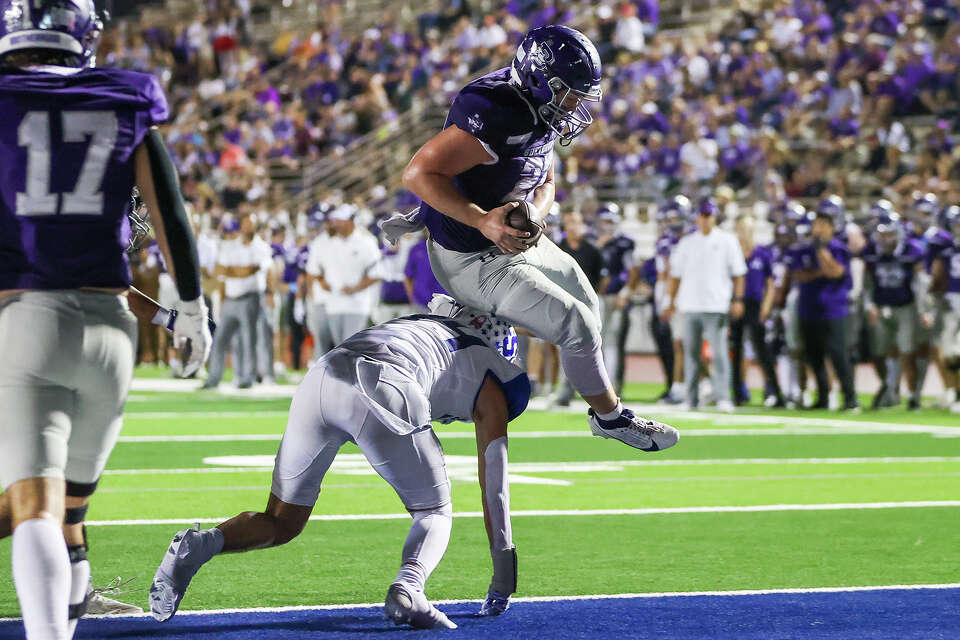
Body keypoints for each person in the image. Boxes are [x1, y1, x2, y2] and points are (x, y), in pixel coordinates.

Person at [0, 2, 211, 637]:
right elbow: (170, 212)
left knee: (33, 508)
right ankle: (79, 599)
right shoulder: (125, 93)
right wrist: (192, 309)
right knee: (71, 508)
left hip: (25, 320)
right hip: (112, 328)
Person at [151, 298, 529, 628]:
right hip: (385, 384)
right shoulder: (492, 371)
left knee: (282, 521)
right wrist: (502, 577)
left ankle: (200, 545)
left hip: (322, 377)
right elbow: (494, 487)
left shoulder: (420, 327)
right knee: (433, 510)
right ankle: (409, 588)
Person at [396, 25, 679, 451]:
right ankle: (610, 417)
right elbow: (417, 173)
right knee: (576, 325)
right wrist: (482, 221)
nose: (577, 106)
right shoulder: (494, 112)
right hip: (472, 255)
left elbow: (546, 180)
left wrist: (533, 212)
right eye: (570, 93)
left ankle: (489, 319)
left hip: (514, 238)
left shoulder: (543, 113)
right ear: (539, 79)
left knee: (588, 308)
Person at [661, 198, 747, 412]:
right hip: (690, 305)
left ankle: (723, 397)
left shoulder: (727, 240)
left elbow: (738, 274)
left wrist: (737, 299)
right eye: (702, 215)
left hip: (716, 304)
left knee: (718, 354)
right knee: (691, 353)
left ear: (714, 216)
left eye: (709, 215)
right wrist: (670, 302)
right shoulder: (687, 242)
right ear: (697, 217)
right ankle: (691, 399)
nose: (706, 219)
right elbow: (676, 276)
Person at [788, 209, 860, 412]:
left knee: (838, 354)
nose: (817, 229)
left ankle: (850, 398)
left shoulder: (839, 248)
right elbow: (798, 275)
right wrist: (821, 271)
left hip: (833, 309)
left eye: (821, 225)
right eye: (815, 225)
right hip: (808, 309)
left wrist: (821, 254)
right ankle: (822, 397)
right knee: (813, 355)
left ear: (831, 228)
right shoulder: (803, 249)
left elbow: (836, 272)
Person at [862, 213, 926, 409]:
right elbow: (867, 282)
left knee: (907, 352)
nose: (885, 239)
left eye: (889, 234)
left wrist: (923, 309)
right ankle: (890, 388)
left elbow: (920, 282)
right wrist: (869, 305)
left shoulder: (912, 250)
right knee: (879, 353)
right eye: (882, 234)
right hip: (881, 306)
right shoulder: (871, 250)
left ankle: (914, 396)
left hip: (905, 306)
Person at [203, 212, 270, 390]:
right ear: (241, 226)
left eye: (251, 224)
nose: (248, 227)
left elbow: (249, 271)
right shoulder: (230, 246)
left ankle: (247, 379)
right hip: (230, 299)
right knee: (220, 339)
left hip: (251, 298)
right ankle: (213, 379)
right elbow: (218, 270)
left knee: (249, 340)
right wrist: (238, 271)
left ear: (256, 227)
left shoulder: (262, 247)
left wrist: (231, 270)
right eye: (246, 223)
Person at [306, 204, 382, 346]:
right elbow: (315, 270)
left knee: (351, 348)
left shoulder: (366, 242)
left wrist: (355, 288)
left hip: (356, 305)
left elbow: (377, 273)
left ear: (350, 220)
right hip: (333, 304)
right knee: (338, 349)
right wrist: (322, 282)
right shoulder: (328, 243)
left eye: (339, 220)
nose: (335, 224)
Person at [731, 214, 784, 407]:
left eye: (747, 229)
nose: (744, 234)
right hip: (736, 303)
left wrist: (766, 306)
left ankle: (775, 392)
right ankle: (737, 394)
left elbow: (770, 284)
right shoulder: (732, 252)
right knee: (735, 351)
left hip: (755, 304)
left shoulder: (762, 254)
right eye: (741, 229)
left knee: (762, 351)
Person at [555, 208, 606, 405]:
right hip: (565, 303)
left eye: (576, 222)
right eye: (569, 222)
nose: (573, 226)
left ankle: (600, 392)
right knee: (568, 346)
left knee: (595, 346)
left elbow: (602, 279)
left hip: (588, 304)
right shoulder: (558, 249)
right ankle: (565, 391)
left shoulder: (592, 249)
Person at [595, 203, 636, 397]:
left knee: (613, 343)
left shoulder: (624, 243)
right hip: (595, 298)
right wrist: (599, 245)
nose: (607, 225)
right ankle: (598, 386)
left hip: (615, 296)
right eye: (604, 221)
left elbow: (633, 270)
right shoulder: (593, 241)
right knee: (596, 343)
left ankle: (612, 386)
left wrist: (625, 292)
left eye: (610, 221)